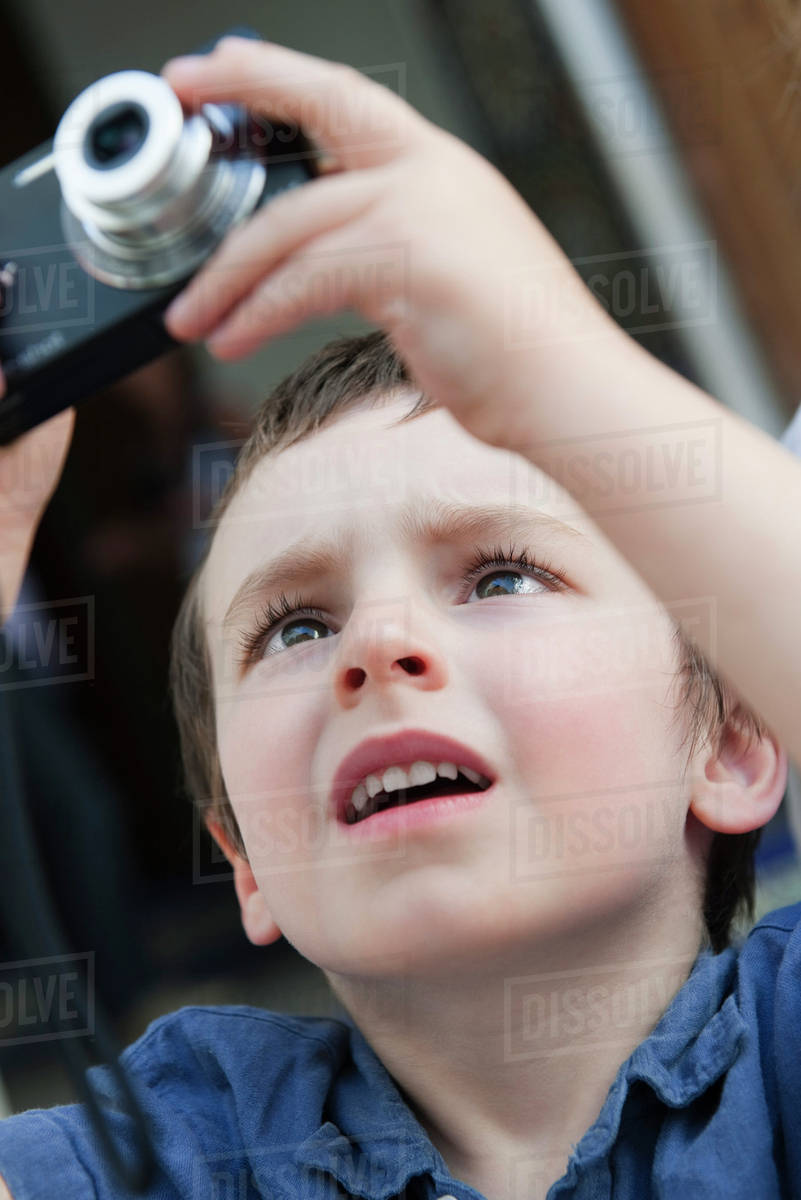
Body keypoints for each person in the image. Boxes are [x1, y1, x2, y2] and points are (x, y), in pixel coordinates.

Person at [0, 34, 800, 1199]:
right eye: (295, 629)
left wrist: (551, 365)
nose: (376, 647)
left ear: (731, 739)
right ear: (243, 858)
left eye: (502, 578)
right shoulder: (191, 1150)